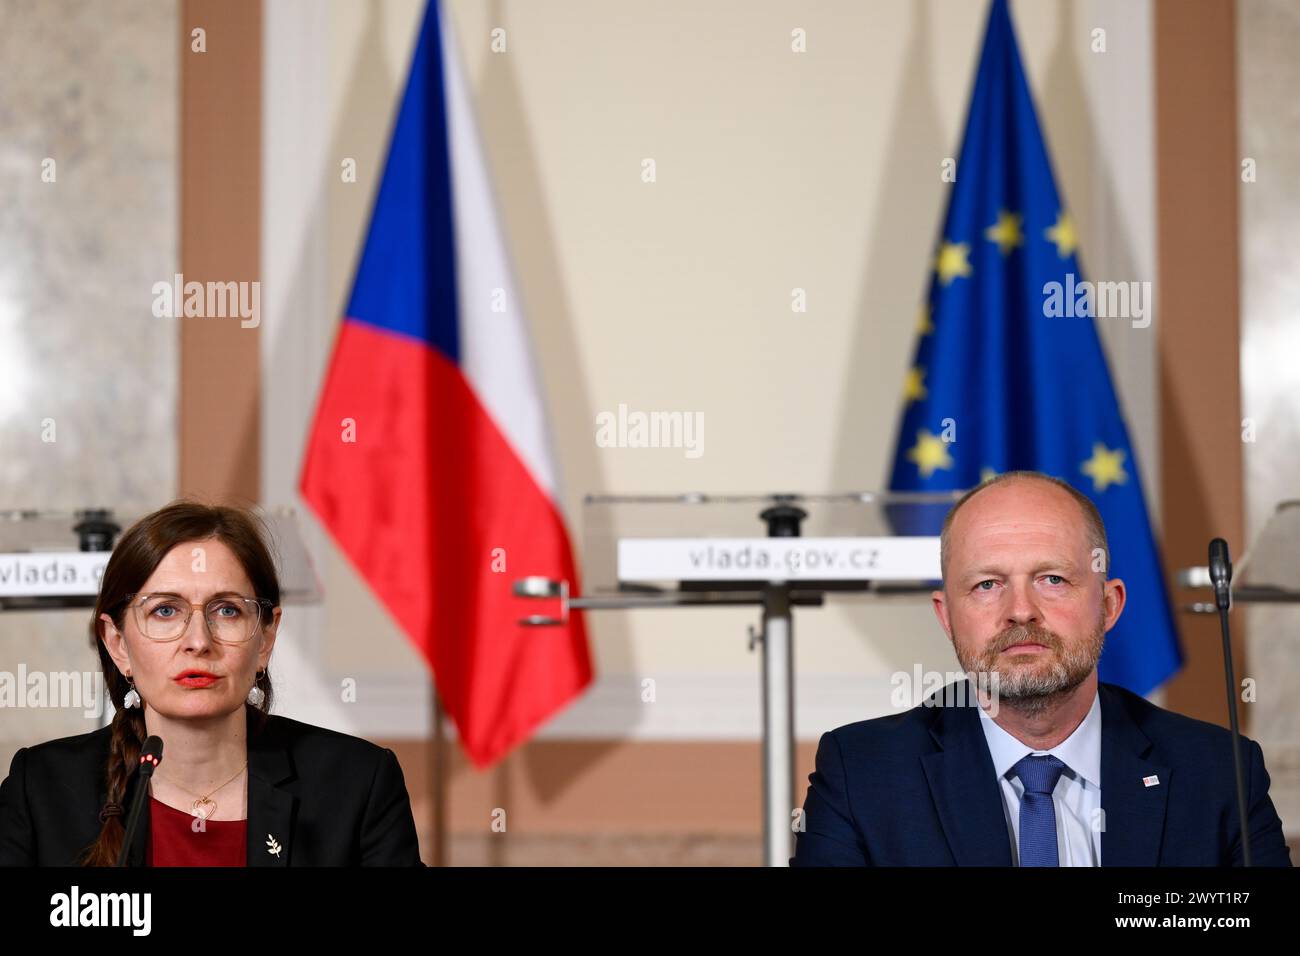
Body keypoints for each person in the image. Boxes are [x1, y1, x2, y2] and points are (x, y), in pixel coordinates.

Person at [792, 470, 1292, 866]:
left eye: (1052, 578)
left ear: (1109, 605)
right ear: (946, 616)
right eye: (987, 584)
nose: (1021, 610)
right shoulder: (864, 775)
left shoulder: (1218, 772)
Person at [0, 501, 424, 866]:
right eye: (165, 611)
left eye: (226, 611)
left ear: (266, 638)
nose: (199, 642)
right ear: (117, 643)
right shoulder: (41, 789)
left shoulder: (357, 784)